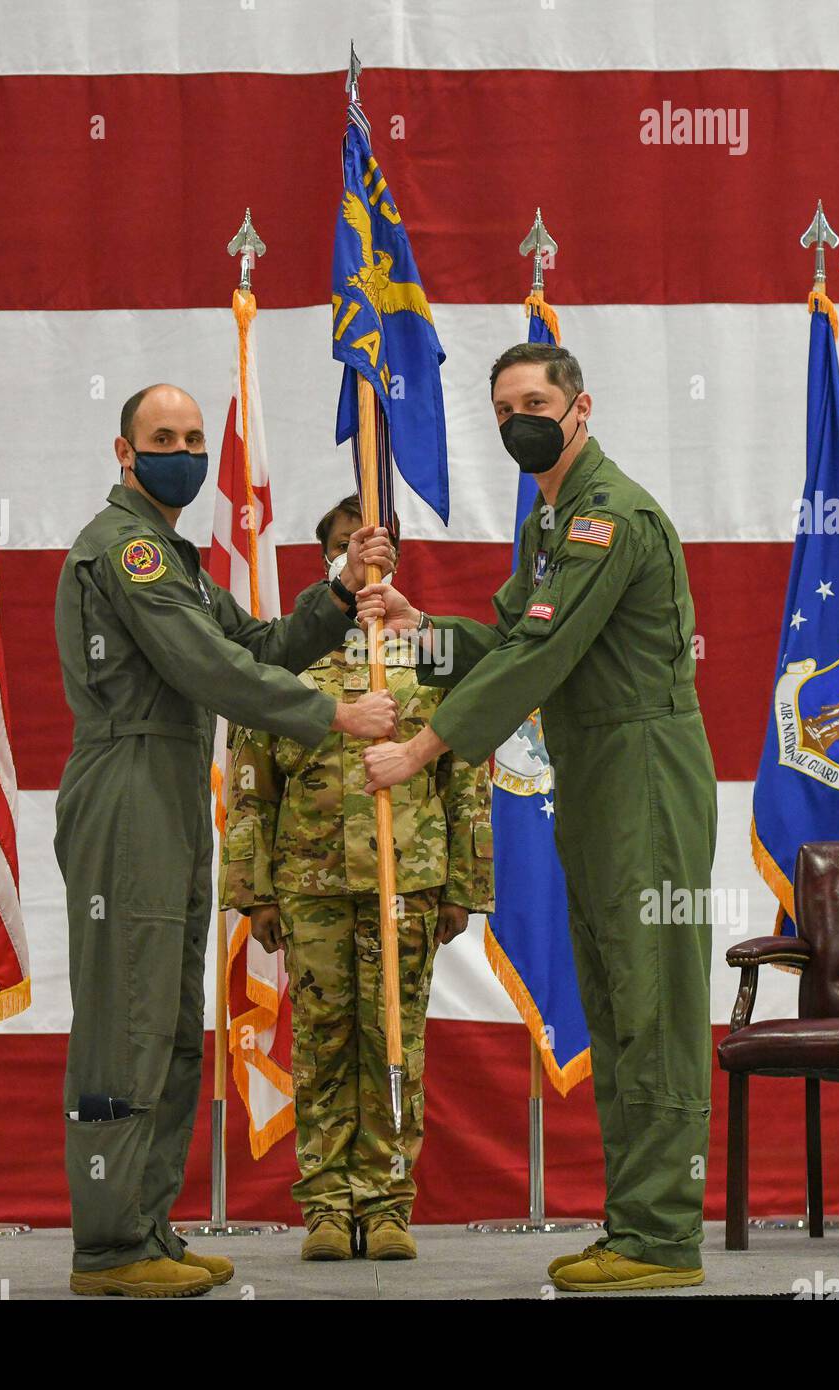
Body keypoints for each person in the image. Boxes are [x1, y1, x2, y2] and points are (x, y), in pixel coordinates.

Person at [359, 343, 718, 1292]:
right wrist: (415, 624)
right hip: (594, 769)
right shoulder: (549, 525)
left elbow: (534, 662)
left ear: (579, 408)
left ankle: (664, 1235)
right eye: (505, 405)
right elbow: (507, 641)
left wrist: (424, 749)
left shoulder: (610, 518)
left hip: (643, 767)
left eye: (535, 402)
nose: (520, 418)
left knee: (654, 1000)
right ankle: (634, 1223)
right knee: (610, 995)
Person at [54, 384, 397, 1297]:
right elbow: (211, 668)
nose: (185, 451)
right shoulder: (126, 550)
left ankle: (146, 1225)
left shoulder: (179, 558)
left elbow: (260, 641)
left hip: (167, 784)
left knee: (166, 1020)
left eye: (195, 437)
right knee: (126, 1016)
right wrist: (337, 715)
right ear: (123, 452)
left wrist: (339, 587)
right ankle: (108, 1245)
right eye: (164, 437)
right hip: (128, 781)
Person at [218, 496, 494, 1262]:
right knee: (322, 1042)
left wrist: (463, 886)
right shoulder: (292, 656)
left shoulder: (427, 650)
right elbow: (250, 780)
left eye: (375, 549)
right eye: (346, 549)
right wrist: (256, 891)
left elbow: (467, 766)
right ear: (325, 560)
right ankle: (328, 1209)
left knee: (395, 1039)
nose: (361, 561)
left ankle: (388, 1200)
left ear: (396, 561)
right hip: (311, 884)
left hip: (406, 879)